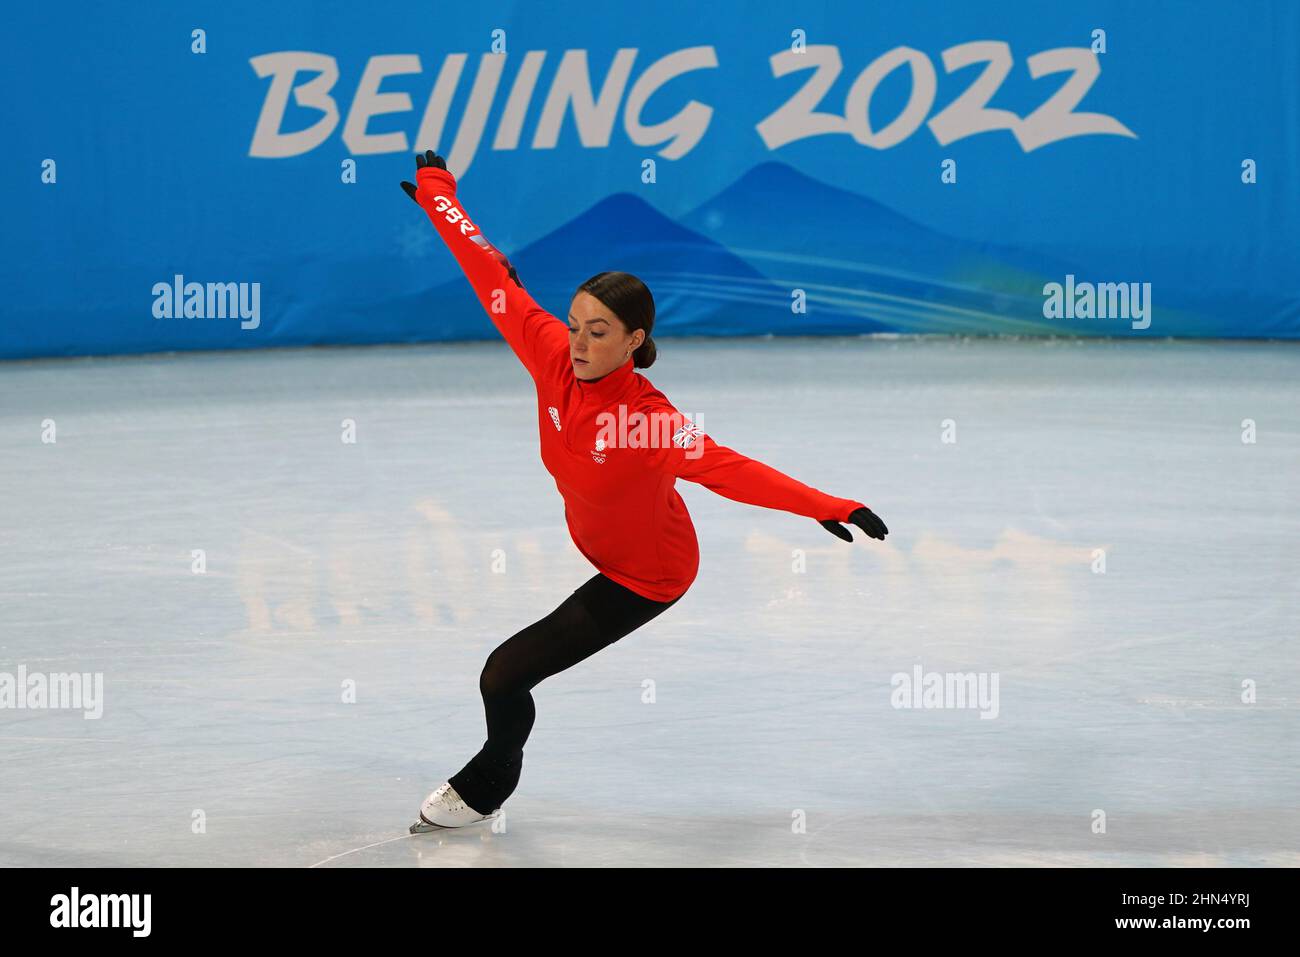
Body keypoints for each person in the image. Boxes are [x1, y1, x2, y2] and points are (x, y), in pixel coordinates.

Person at [399, 151, 888, 829]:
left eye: (597, 333)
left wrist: (828, 505)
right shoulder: (550, 356)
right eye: (574, 325)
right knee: (505, 674)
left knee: (503, 674)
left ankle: (488, 780)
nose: (577, 342)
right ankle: (493, 774)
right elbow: (491, 276)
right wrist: (437, 193)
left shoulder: (648, 423)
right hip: (603, 539)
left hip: (648, 571)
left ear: (634, 340)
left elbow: (729, 468)